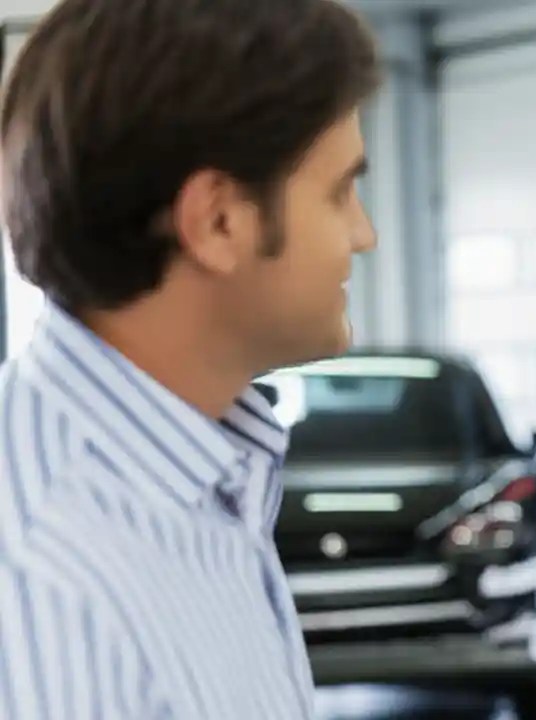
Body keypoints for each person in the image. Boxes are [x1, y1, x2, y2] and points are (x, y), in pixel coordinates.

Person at [0, 0, 380, 717]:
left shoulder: (203, 476)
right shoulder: (46, 587)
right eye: (339, 192)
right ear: (217, 221)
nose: (364, 234)